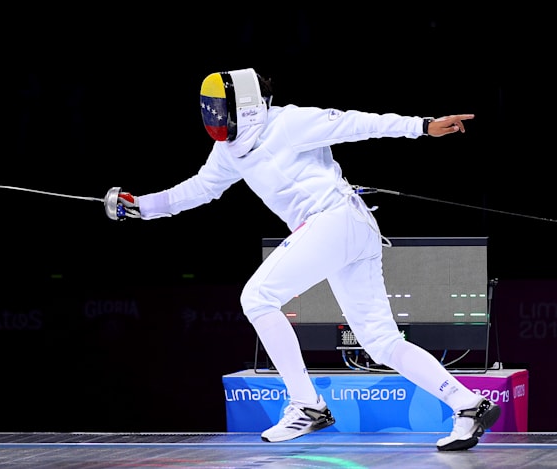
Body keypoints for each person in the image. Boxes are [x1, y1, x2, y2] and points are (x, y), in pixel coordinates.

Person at [109, 68, 498, 452]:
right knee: (381, 342)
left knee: (257, 298)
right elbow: (200, 188)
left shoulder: (289, 122)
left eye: (219, 108)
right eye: (209, 109)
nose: (213, 117)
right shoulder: (229, 151)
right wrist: (141, 206)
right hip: (345, 230)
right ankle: (467, 404)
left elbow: (356, 124)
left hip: (337, 220)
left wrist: (422, 126)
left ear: (246, 106)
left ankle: (307, 404)